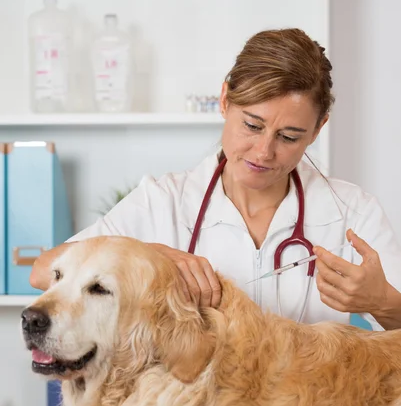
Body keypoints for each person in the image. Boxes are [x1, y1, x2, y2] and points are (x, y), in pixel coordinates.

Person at [30, 28, 401, 331]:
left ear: (318, 129)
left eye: (288, 137)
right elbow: (43, 271)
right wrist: (150, 257)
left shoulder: (352, 212)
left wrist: (381, 301)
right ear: (225, 100)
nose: (263, 152)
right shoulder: (164, 202)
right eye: (252, 126)